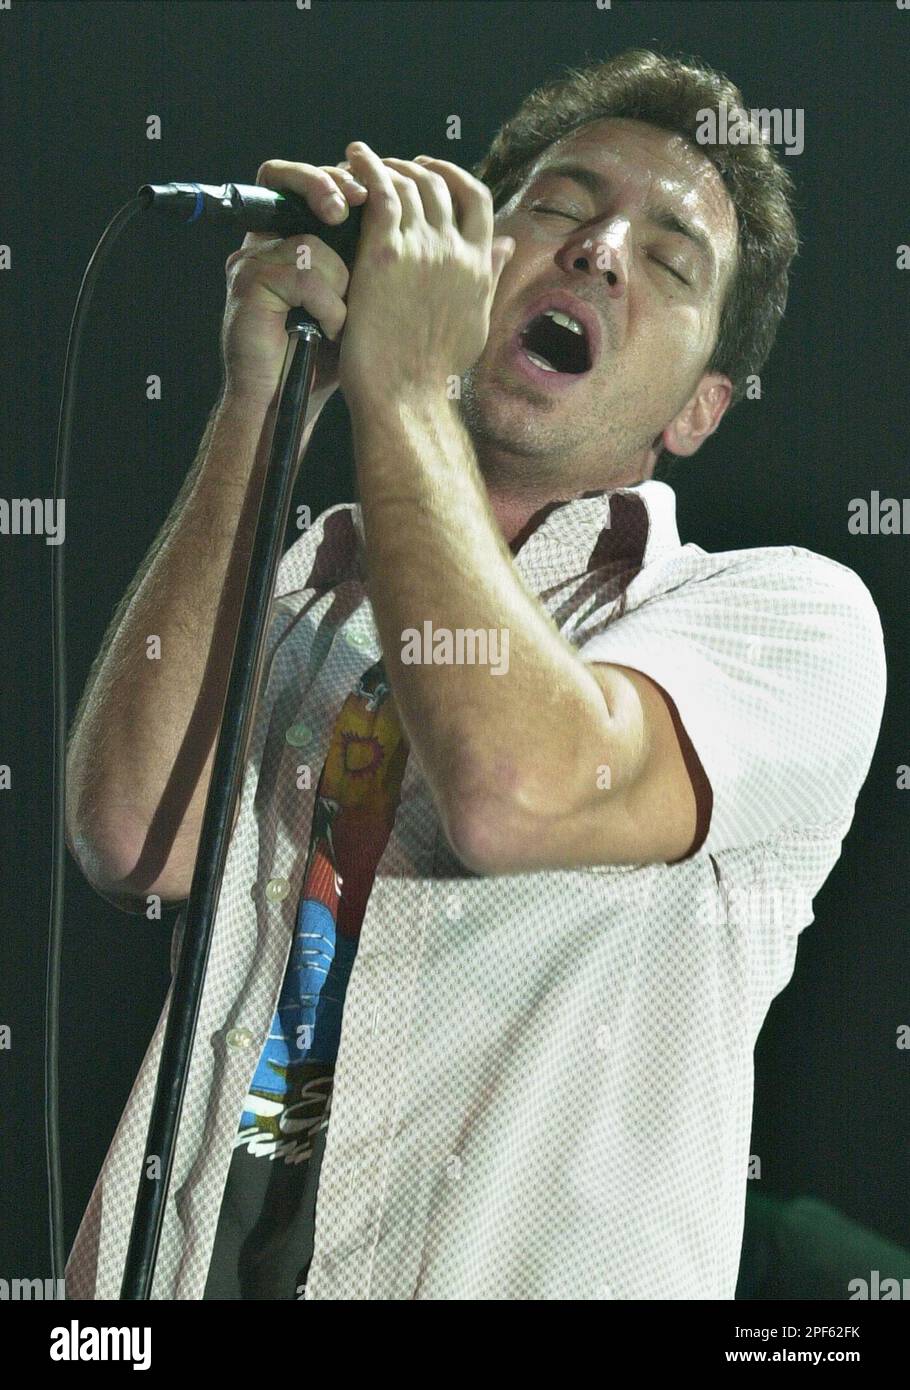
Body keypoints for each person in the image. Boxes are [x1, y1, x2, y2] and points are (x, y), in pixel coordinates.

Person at [64, 49, 886, 1300]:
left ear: (699, 410)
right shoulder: (297, 588)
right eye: (554, 207)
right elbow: (132, 837)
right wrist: (259, 396)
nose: (599, 248)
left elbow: (518, 788)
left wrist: (399, 386)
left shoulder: (776, 618)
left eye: (668, 261)